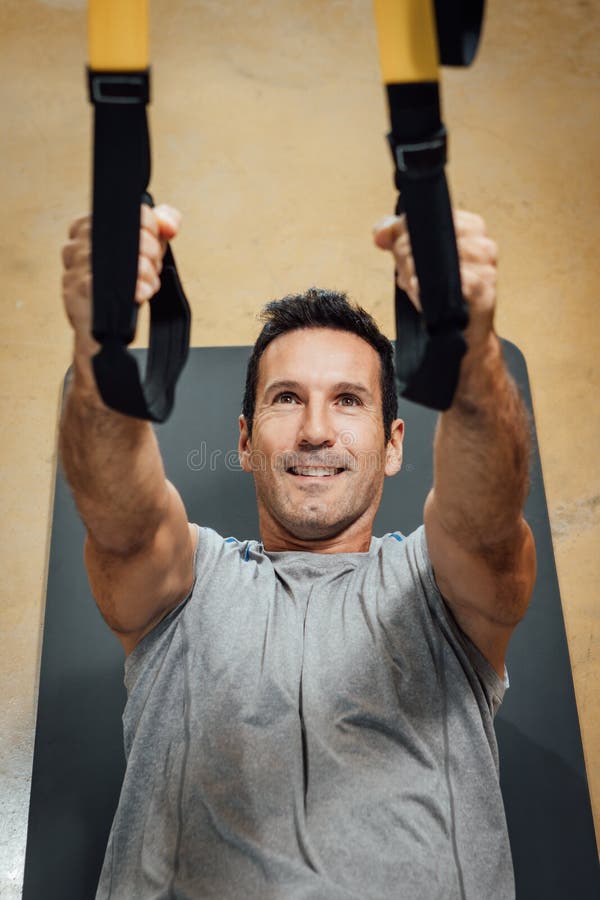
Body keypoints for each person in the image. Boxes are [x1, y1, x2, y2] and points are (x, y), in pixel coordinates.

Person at [60, 203, 536, 900]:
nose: (316, 431)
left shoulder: (439, 584)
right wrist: (99, 342)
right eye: (287, 399)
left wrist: (468, 349)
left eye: (348, 401)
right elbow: (121, 519)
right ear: (247, 441)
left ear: (395, 443)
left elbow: (489, 528)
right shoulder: (189, 585)